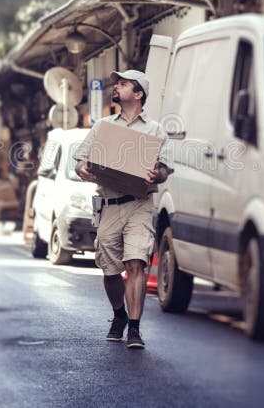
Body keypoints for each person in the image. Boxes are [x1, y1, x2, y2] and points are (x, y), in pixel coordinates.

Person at [74, 70, 173, 349]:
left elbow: (164, 168)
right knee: (110, 270)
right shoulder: (103, 126)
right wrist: (83, 170)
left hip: (139, 205)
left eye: (123, 84)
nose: (116, 87)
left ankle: (134, 328)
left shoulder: (155, 130)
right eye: (116, 84)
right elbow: (80, 161)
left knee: (136, 262)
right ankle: (119, 314)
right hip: (109, 205)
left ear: (138, 94)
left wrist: (158, 174)